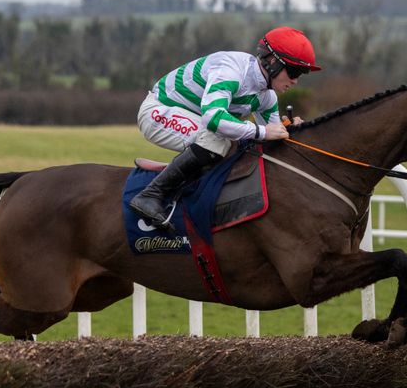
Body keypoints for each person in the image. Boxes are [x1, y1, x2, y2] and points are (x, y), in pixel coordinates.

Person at [129, 26, 321, 233]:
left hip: (193, 117)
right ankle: (151, 195)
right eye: (293, 72)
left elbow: (272, 140)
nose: (295, 81)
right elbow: (213, 119)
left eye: (301, 73)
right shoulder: (230, 71)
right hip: (159, 111)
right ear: (273, 62)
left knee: (235, 145)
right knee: (218, 141)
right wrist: (263, 132)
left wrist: (290, 130)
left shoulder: (267, 96)